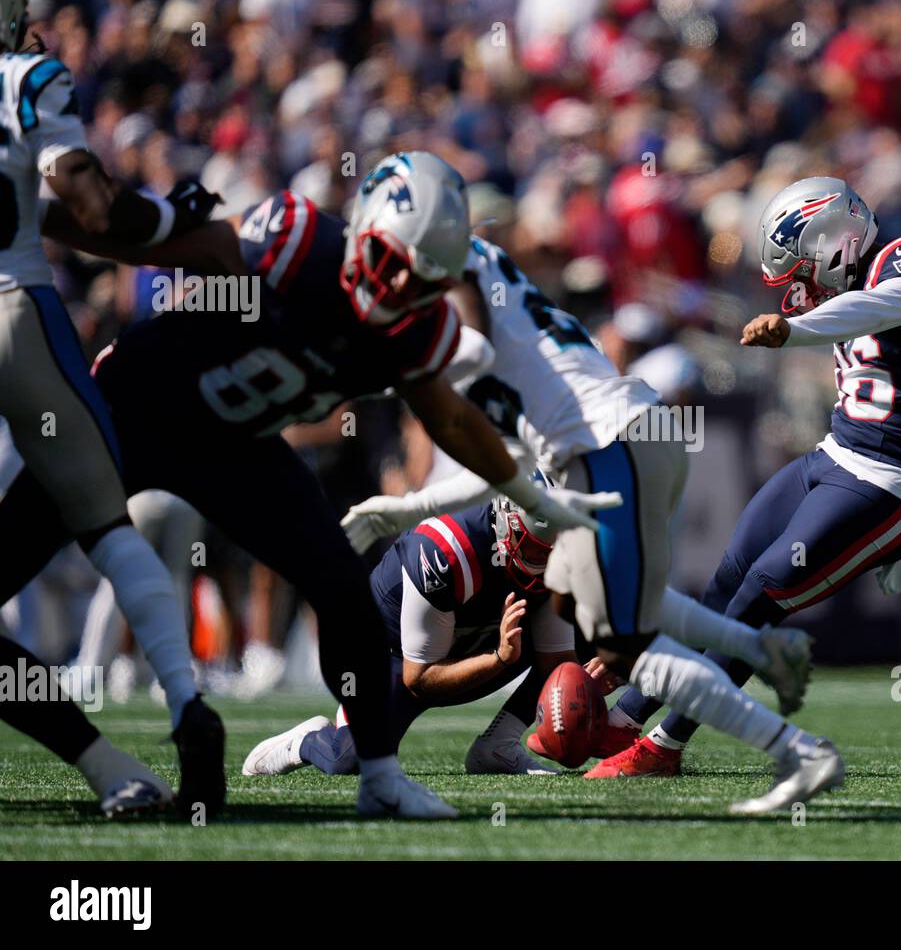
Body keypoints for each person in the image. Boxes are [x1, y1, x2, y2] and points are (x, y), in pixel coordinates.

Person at [1, 151, 618, 818]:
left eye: (419, 282)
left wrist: (528, 495)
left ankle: (380, 777)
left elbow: (448, 416)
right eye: (390, 264)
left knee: (341, 586)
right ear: (364, 230)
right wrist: (35, 220)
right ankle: (101, 759)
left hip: (235, 444)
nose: (398, 290)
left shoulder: (418, 326)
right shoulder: (295, 243)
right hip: (127, 416)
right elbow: (145, 234)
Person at [341, 228, 843, 814]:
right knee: (609, 614)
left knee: (624, 637)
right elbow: (504, 471)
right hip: (637, 437)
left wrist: (407, 488)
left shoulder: (477, 332)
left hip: (609, 448)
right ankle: (755, 648)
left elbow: (487, 415)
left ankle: (795, 748)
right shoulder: (514, 319)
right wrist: (405, 508)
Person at [593, 176, 901, 777]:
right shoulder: (855, 283)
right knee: (728, 576)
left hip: (891, 481)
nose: (800, 290)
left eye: (803, 270)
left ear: (834, 243)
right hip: (833, 457)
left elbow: (879, 306)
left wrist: (795, 330)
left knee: (762, 592)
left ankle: (664, 745)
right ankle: (620, 719)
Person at [0, 0, 223, 813]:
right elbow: (91, 205)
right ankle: (185, 705)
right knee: (107, 524)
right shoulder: (27, 77)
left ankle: (104, 761)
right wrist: (171, 214)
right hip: (14, 313)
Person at [243, 492, 610, 777]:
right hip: (390, 654)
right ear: (506, 524)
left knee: (589, 636)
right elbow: (419, 680)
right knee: (350, 759)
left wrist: (578, 695)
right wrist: (498, 658)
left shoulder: (561, 559)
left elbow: (557, 664)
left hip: (467, 640)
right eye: (532, 548)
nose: (542, 563)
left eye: (553, 551)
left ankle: (498, 745)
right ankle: (307, 740)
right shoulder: (446, 551)